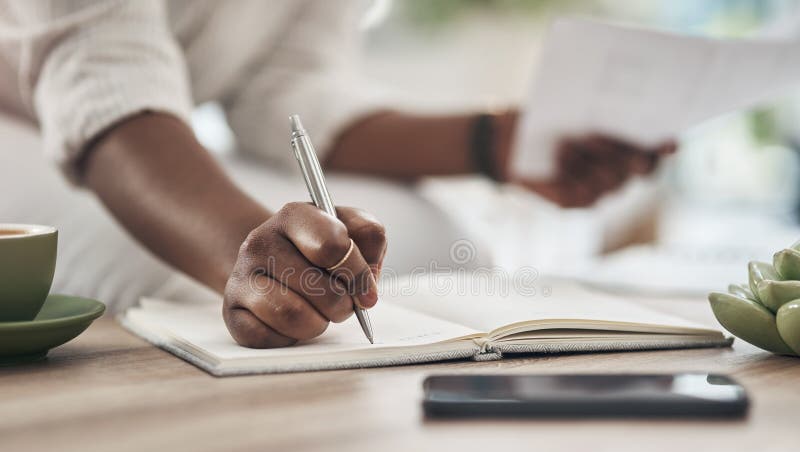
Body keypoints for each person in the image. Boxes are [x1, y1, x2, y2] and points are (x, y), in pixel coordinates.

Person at [0, 0, 673, 348]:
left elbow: (287, 87)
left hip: (139, 122)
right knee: (177, 276)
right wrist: (248, 256)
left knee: (431, 240)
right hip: (41, 122)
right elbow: (100, 79)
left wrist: (492, 144)